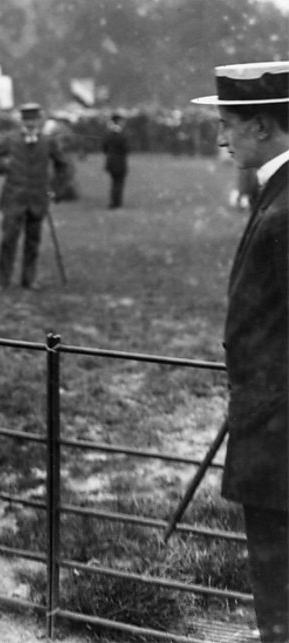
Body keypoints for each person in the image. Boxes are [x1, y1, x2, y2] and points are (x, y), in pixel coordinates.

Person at [192, 60, 288, 642]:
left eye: (227, 124)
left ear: (262, 127)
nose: (221, 138)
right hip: (271, 418)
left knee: (279, 579)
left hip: (279, 428)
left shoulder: (285, 208)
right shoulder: (276, 192)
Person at [0, 103, 69, 291]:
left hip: (38, 198)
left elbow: (63, 165)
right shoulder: (10, 140)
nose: (30, 124)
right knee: (8, 240)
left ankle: (29, 279)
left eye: (34, 120)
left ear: (39, 121)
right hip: (14, 197)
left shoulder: (48, 142)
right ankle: (3, 280)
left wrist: (54, 190)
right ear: (22, 121)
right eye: (27, 120)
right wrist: (4, 168)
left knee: (33, 241)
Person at [102, 113, 129, 209]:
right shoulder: (122, 135)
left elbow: (104, 149)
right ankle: (116, 203)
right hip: (119, 162)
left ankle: (114, 202)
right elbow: (126, 149)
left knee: (114, 182)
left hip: (110, 161)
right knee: (118, 183)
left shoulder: (108, 134)